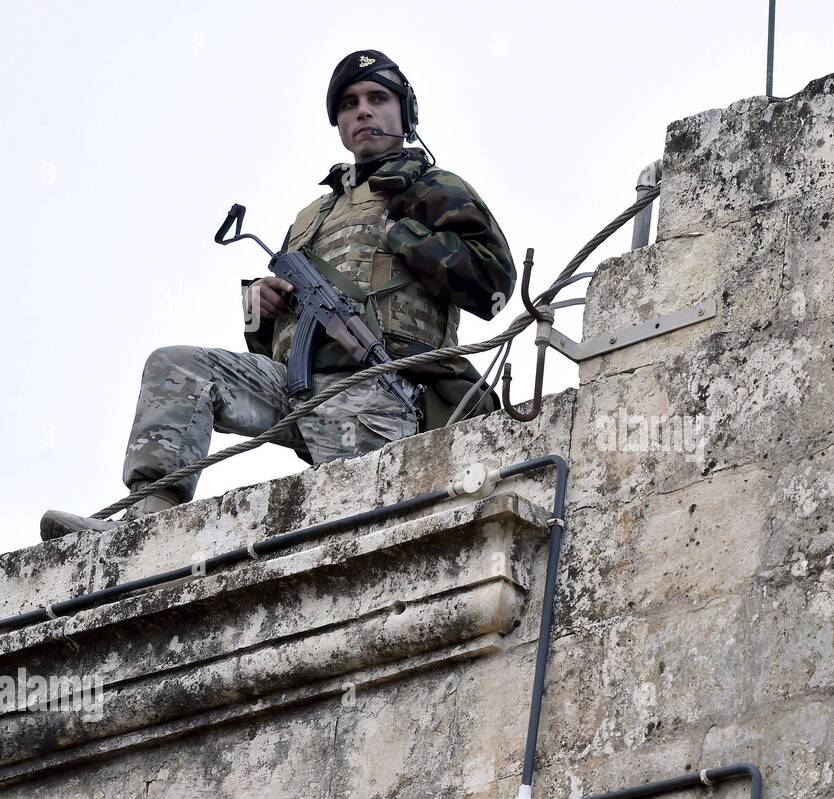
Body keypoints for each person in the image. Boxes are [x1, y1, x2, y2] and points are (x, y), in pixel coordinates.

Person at [40, 50, 516, 542]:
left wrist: (404, 237)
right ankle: (145, 522)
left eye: (378, 98)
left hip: (380, 393)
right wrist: (263, 309)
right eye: (350, 104)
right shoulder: (313, 215)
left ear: (405, 112)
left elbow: (495, 286)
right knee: (177, 365)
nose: (364, 111)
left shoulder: (433, 187)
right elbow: (281, 343)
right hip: (299, 389)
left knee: (348, 533)